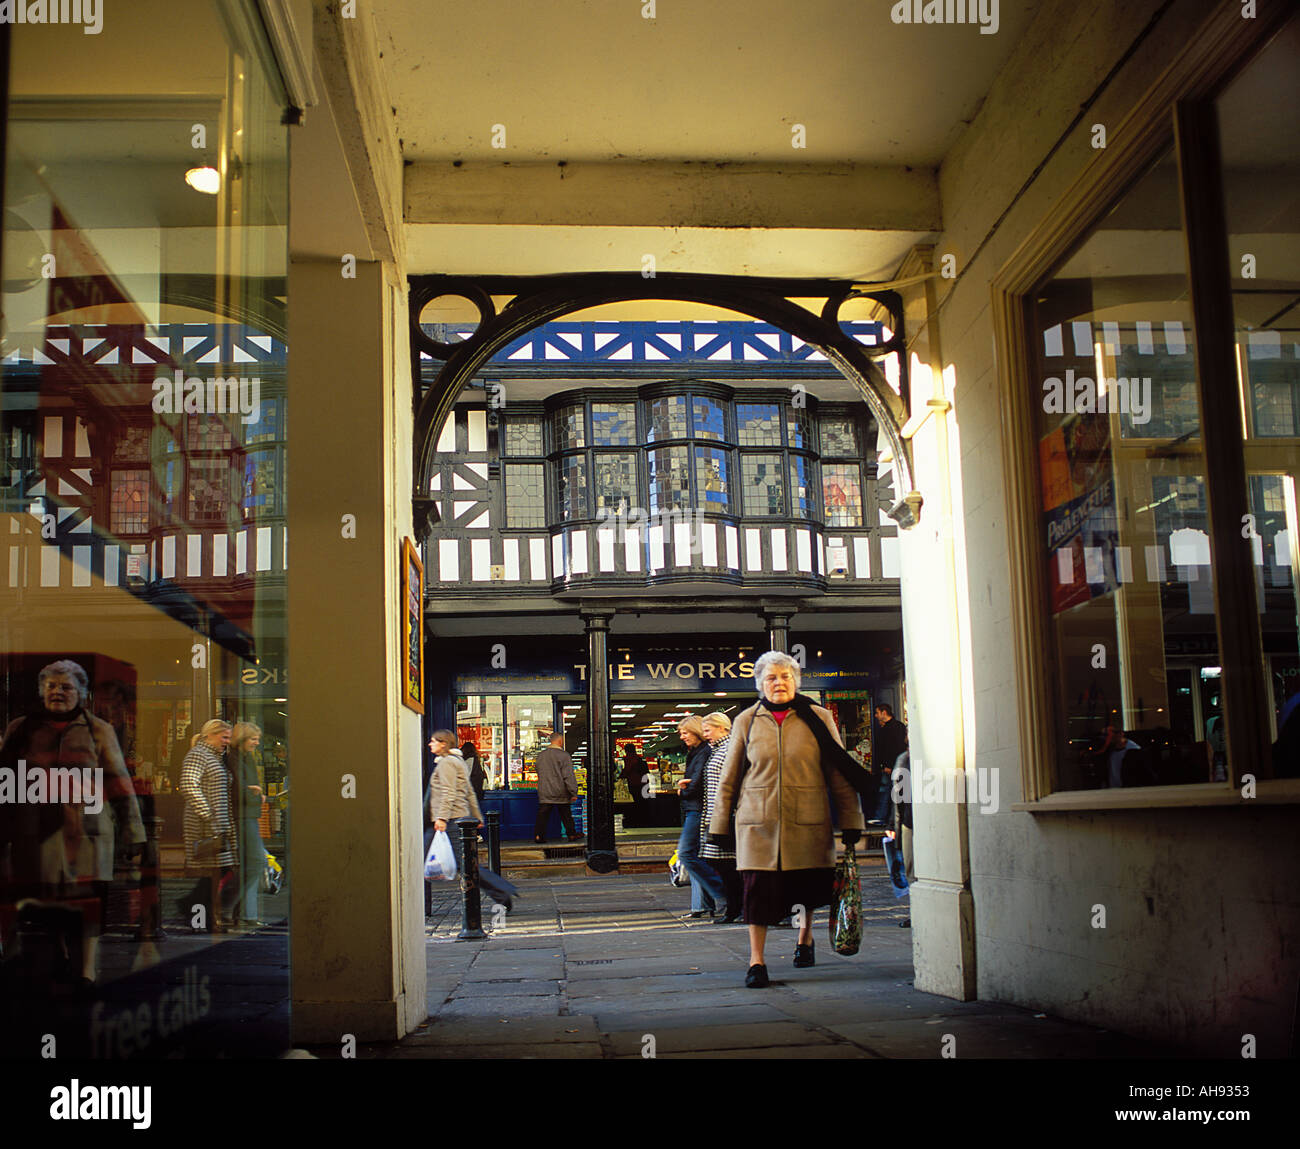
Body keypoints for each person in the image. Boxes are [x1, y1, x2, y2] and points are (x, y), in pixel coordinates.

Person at [710, 650, 864, 988]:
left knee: (805, 890)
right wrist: (719, 826)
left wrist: (852, 820)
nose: (779, 683)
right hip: (758, 824)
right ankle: (757, 962)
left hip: (807, 818)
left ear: (796, 681)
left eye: (785, 676)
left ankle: (804, 938)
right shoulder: (746, 721)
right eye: (771, 678)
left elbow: (839, 773)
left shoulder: (818, 717)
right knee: (757, 894)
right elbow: (729, 777)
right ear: (761, 685)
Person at [0, 659, 146, 985]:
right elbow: (3, 781)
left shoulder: (99, 730)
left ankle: (87, 969)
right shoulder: (20, 729)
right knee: (49, 904)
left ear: (80, 692)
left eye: (66, 687)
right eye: (51, 686)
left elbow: (119, 783)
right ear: (41, 691)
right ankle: (62, 958)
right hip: (38, 832)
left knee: (88, 903)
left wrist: (134, 831)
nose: (58, 692)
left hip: (88, 830)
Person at [428, 729, 516, 910]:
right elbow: (469, 791)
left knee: (464, 864)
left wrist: (442, 818)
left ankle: (500, 891)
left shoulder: (447, 764)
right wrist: (476, 816)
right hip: (458, 816)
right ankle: (500, 890)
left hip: (451, 819)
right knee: (466, 862)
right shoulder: (458, 762)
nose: (430, 744)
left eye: (433, 741)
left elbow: (448, 793)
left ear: (443, 743)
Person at [179, 719, 238, 933]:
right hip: (204, 827)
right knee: (208, 875)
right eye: (224, 737)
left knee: (216, 875)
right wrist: (207, 814)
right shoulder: (198, 754)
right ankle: (199, 918)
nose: (227, 742)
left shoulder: (214, 757)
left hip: (217, 826)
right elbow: (188, 784)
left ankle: (205, 918)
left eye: (228, 738)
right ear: (210, 735)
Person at [674, 715, 731, 921]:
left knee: (687, 854)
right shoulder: (700, 752)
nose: (682, 737)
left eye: (685, 732)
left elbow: (698, 784)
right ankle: (703, 904)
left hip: (699, 809)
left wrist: (683, 791)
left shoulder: (706, 752)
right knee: (697, 856)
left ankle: (722, 894)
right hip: (698, 809)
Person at [699, 711, 741, 924]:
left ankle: (735, 907)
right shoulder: (717, 749)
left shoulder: (729, 749)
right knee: (723, 864)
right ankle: (734, 906)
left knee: (728, 864)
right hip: (717, 815)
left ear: (722, 727)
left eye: (708, 730)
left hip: (725, 815)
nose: (705, 734)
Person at [229, 722, 266, 929]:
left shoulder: (246, 758)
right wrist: (255, 794)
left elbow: (248, 788)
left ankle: (244, 914)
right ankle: (230, 906)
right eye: (253, 738)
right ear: (242, 739)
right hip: (242, 816)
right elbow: (239, 791)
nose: (256, 743)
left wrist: (255, 793)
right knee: (256, 862)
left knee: (250, 864)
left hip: (249, 814)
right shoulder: (234, 759)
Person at [533, 733, 582, 844]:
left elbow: (538, 771)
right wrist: (573, 792)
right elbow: (568, 776)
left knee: (543, 815)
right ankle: (572, 835)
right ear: (560, 741)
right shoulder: (564, 756)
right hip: (561, 790)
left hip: (544, 790)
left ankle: (538, 836)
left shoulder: (541, 755)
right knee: (566, 814)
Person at [870, 703, 907, 825]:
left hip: (890, 766)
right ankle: (896, 818)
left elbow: (890, 748)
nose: (875, 715)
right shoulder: (900, 726)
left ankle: (881, 817)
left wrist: (888, 765)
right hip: (899, 766)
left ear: (884, 713)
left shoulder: (886, 729)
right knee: (897, 792)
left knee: (885, 791)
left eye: (877, 713)